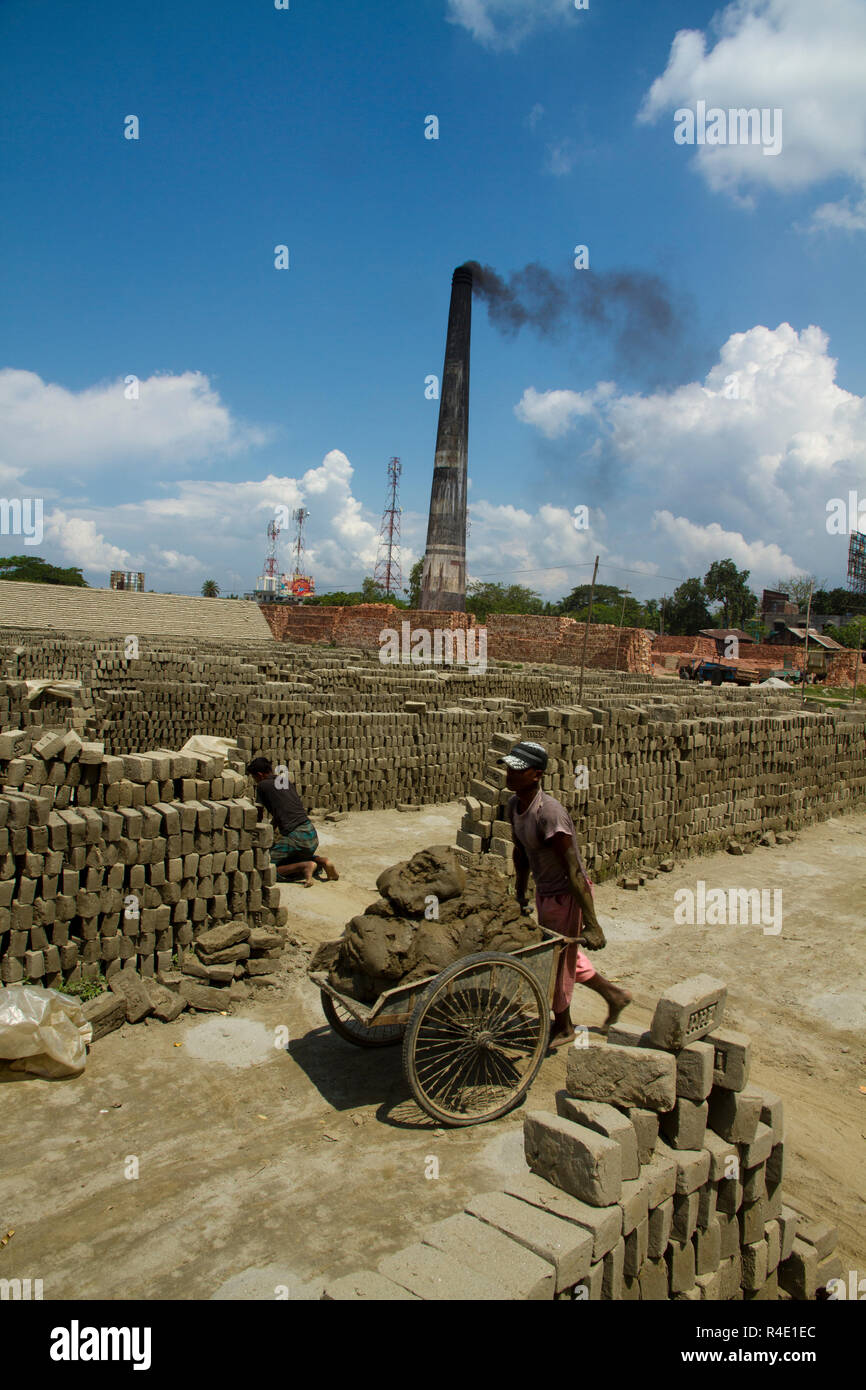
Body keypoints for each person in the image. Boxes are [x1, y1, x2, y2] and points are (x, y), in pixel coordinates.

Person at [499, 740, 631, 1048]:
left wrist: (593, 923)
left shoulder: (550, 814)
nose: (510, 774)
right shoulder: (514, 806)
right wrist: (520, 895)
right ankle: (614, 995)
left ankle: (565, 1027)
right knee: (561, 952)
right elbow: (520, 853)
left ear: (537, 774)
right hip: (544, 891)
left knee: (556, 960)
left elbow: (574, 870)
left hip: (567, 895)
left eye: (518, 770)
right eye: (508, 767)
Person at [246, 757, 339, 887]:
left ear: (260, 775)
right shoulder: (285, 782)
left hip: (296, 838)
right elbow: (284, 811)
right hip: (311, 834)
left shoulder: (262, 785)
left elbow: (259, 815)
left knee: (265, 866)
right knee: (292, 858)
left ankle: (305, 866)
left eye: (254, 778)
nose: (255, 781)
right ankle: (321, 861)